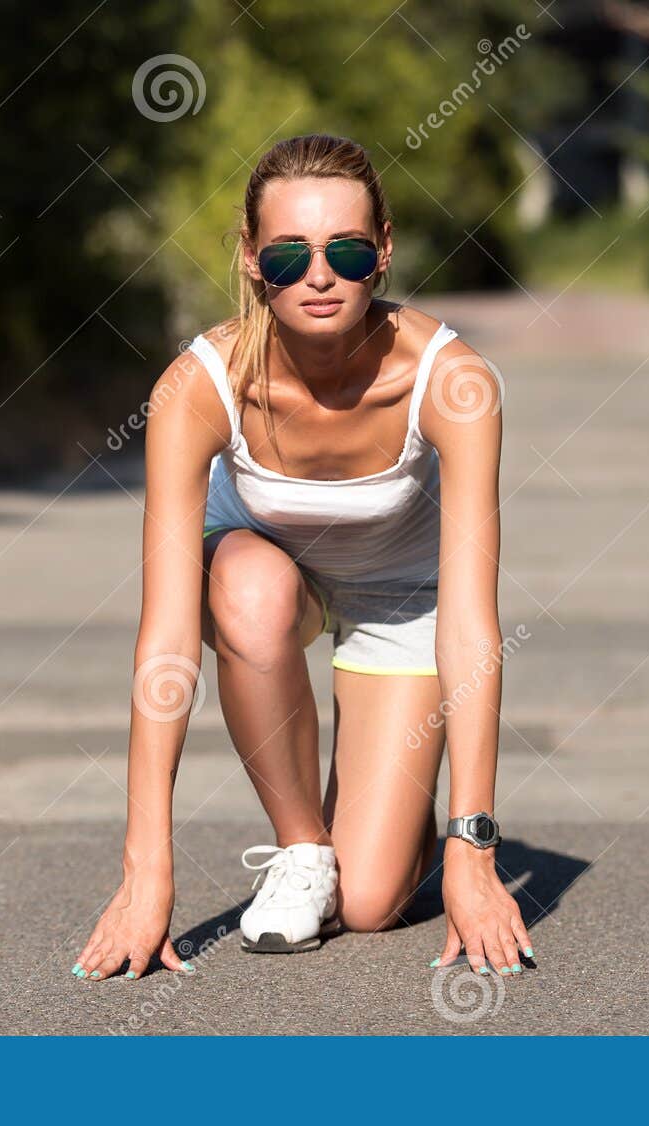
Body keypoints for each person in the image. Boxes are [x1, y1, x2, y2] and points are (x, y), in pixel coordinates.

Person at [73, 134, 531, 981]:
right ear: (252, 261)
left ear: (383, 251)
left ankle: (398, 817)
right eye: (289, 256)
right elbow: (168, 641)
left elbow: (471, 626)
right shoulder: (199, 385)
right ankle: (300, 847)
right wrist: (147, 869)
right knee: (249, 586)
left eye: (347, 251)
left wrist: (474, 848)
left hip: (405, 599)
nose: (318, 276)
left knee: (368, 908)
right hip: (267, 577)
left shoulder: (453, 382)